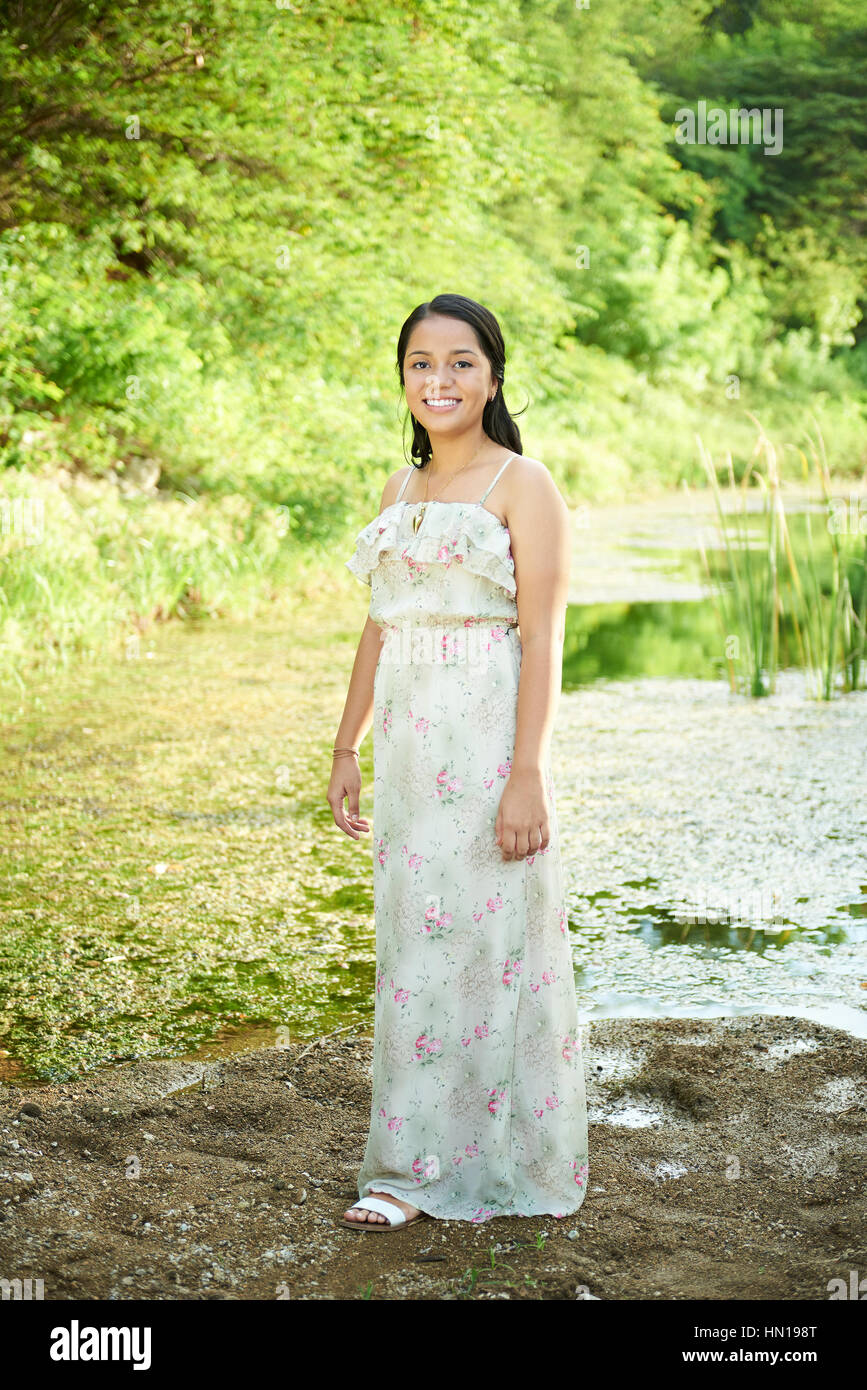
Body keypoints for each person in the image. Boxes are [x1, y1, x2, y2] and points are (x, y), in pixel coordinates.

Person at [329, 293, 588, 1230]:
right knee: (414, 950)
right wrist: (343, 744)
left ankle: (485, 1159)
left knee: (487, 947)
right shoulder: (398, 493)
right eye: (419, 364)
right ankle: (404, 1164)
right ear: (402, 379)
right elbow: (377, 625)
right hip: (406, 747)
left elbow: (544, 640)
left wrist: (529, 772)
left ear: (492, 375)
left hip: (484, 745)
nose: (438, 381)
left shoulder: (523, 485)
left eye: (460, 363)